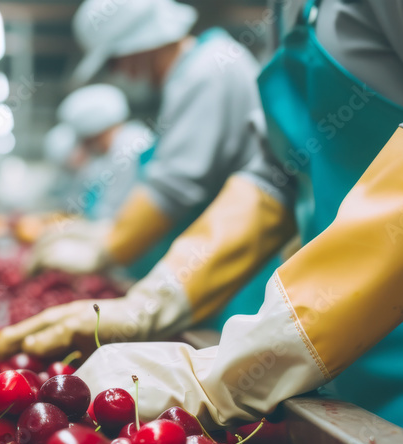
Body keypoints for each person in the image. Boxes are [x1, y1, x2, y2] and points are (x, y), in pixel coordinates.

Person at [0, 0, 403, 444]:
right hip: (337, 370)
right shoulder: (292, 15)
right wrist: (157, 297)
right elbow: (275, 174)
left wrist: (235, 368)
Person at [27, 0, 278, 279]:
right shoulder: (193, 72)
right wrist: (103, 232)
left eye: (114, 61)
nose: (120, 73)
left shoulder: (204, 73)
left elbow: (173, 185)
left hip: (243, 262)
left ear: (138, 43)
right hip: (224, 253)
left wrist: (106, 249)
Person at [53, 83, 153, 223]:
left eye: (87, 142)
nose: (88, 149)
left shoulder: (128, 147)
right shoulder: (124, 143)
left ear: (96, 135)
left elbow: (113, 211)